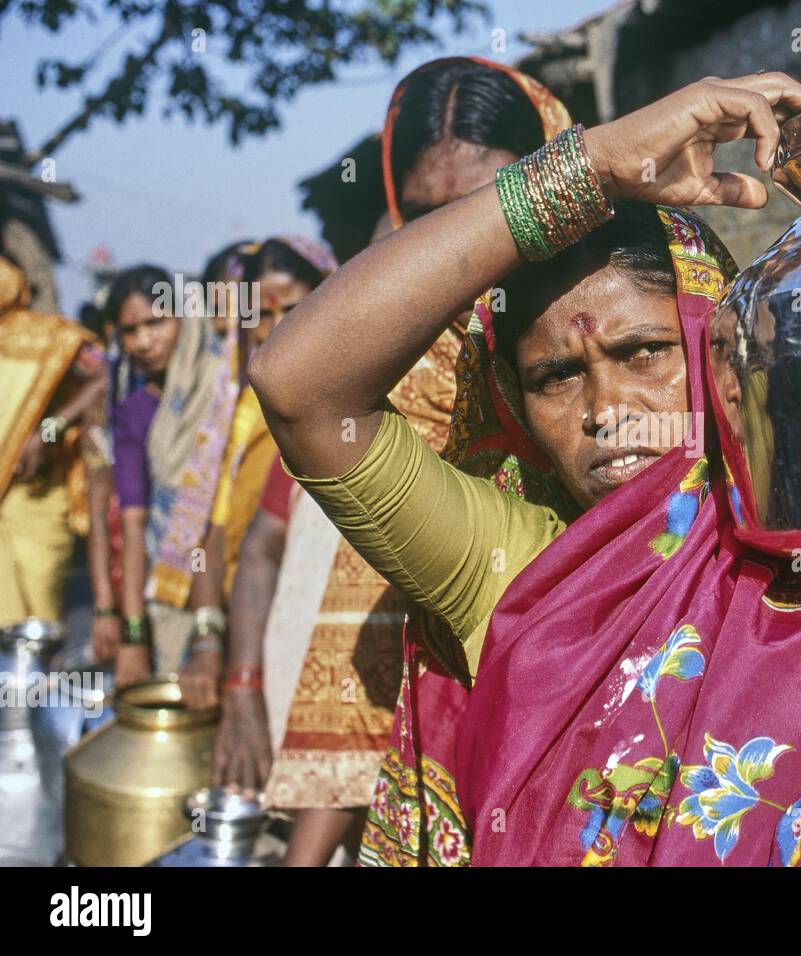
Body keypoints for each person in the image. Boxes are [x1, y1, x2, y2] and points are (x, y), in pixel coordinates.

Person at [252, 72, 801, 866]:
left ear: (718, 349)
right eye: (556, 377)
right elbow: (299, 387)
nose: (605, 407)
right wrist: (597, 163)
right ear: (514, 399)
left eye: (644, 352)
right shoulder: (511, 564)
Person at [215, 57, 558, 867]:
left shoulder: (611, 323)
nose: (461, 254)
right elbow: (358, 618)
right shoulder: (402, 362)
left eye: (484, 210)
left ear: (549, 186)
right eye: (429, 221)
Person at [179, 237, 336, 710]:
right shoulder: (240, 409)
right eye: (259, 316)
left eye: (289, 309)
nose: (273, 329)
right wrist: (209, 638)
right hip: (242, 628)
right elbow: (214, 527)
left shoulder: (352, 404)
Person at [106, 264, 224, 687]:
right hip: (173, 594)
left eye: (156, 322)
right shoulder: (133, 413)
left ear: (184, 317)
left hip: (237, 579)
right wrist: (133, 636)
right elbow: (134, 523)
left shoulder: (226, 388)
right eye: (129, 330)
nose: (143, 341)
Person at [0, 255, 106, 629]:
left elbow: (106, 373)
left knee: (39, 615)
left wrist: (48, 430)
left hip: (36, 490)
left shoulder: (53, 337)